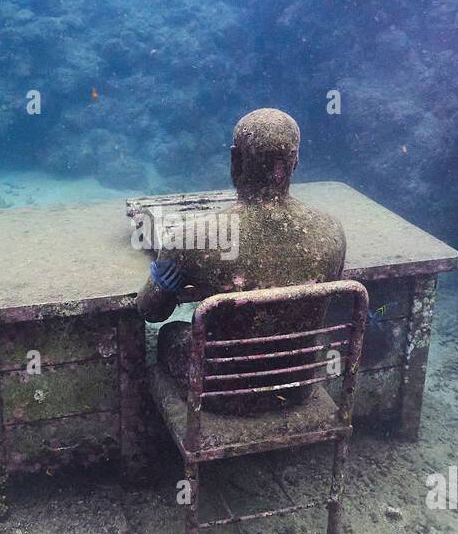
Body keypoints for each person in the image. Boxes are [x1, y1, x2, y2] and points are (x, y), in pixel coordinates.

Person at [138, 108, 347, 413]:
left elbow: (152, 311)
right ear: (295, 161)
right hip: (296, 387)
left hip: (222, 393)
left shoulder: (191, 238)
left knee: (170, 332)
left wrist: (162, 275)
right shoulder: (332, 232)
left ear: (236, 160)